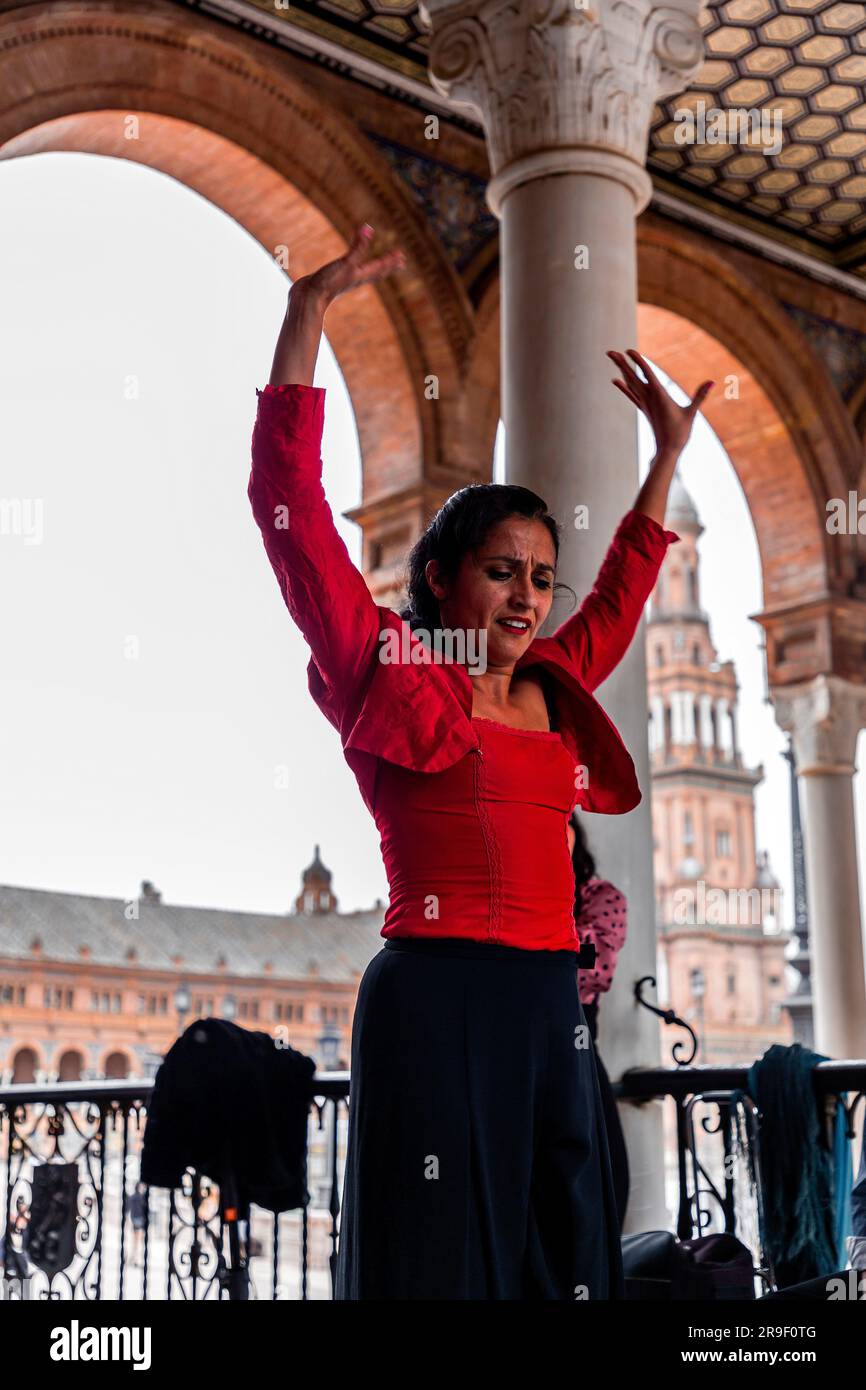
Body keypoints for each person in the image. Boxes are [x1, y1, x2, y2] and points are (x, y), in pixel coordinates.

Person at [246, 223, 712, 1299]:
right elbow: (292, 518)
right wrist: (305, 315)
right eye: (500, 570)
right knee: (441, 1261)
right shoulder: (387, 667)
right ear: (445, 577)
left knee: (561, 1247)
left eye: (539, 577)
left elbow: (619, 595)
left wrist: (666, 461)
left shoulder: (550, 679)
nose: (524, 595)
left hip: (547, 1007)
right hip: (434, 995)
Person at [568, 811, 630, 1231]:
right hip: (511, 1054)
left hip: (574, 1054)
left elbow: (591, 968)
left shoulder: (601, 898)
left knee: (598, 1185)